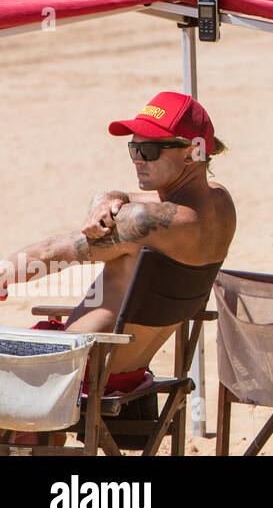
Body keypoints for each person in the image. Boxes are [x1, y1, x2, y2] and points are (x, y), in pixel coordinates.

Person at [0, 92, 236, 409]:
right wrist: (108, 197)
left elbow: (55, 251)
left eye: (150, 149)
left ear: (194, 151)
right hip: (131, 373)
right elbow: (138, 202)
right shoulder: (219, 205)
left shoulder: (141, 224)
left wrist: (4, 274)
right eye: (134, 148)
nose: (138, 159)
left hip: (75, 368)